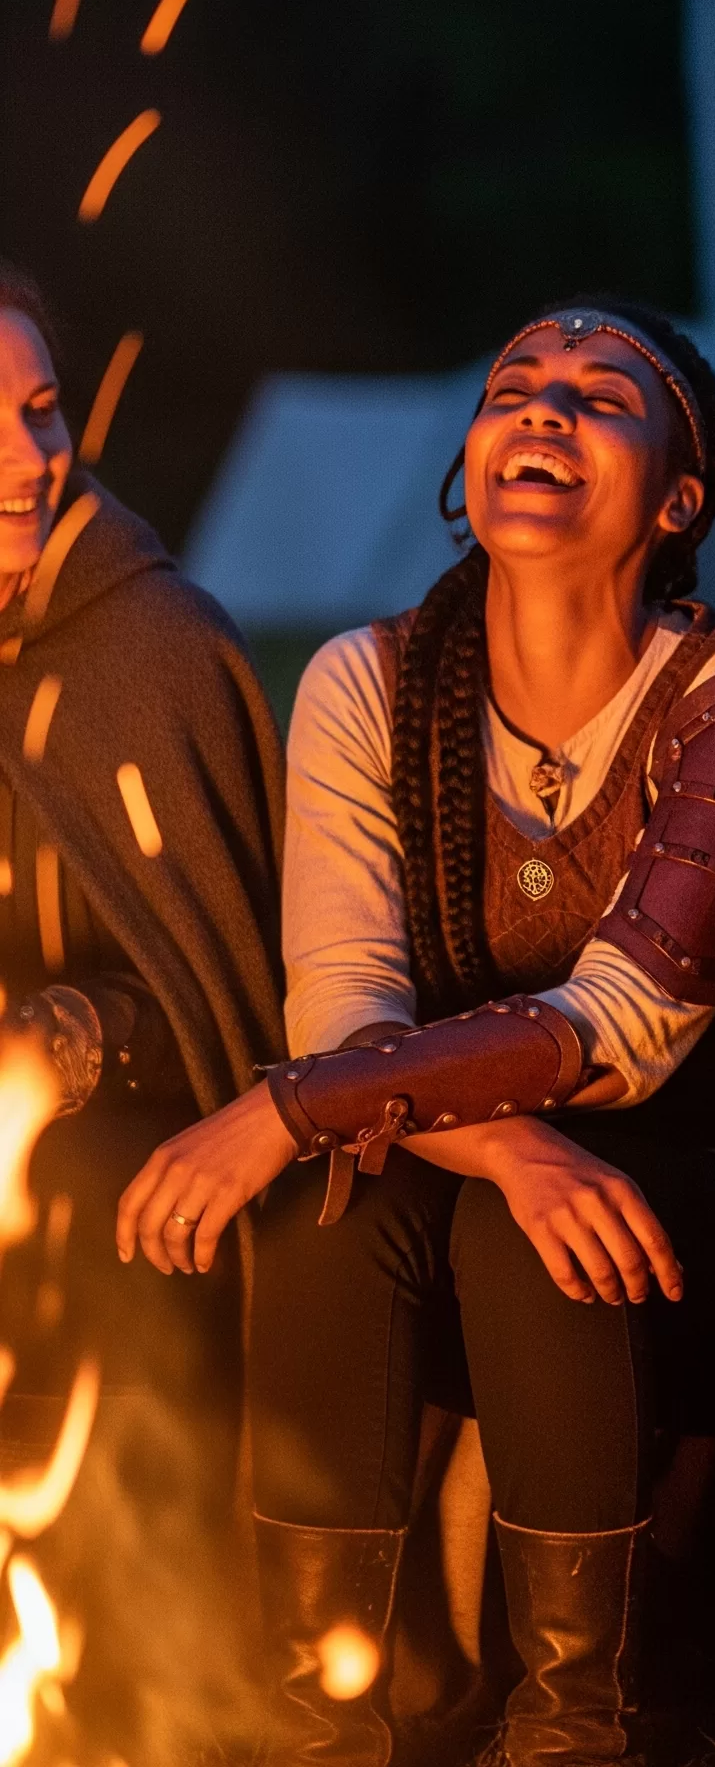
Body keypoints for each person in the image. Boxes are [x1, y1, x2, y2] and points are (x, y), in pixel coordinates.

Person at [119, 298, 715, 1766]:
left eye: (600, 396)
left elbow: (621, 1027)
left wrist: (281, 1108)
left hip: (700, 1207)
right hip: (469, 1187)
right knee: (339, 1207)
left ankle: (573, 1724)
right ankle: (319, 1716)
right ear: (467, 462)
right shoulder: (366, 685)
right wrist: (508, 1151)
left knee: (498, 1219)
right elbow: (344, 1009)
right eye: (515, 385)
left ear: (683, 496)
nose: (544, 409)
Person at [0, 263, 286, 1757]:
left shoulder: (150, 648)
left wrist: (59, 1041)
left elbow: (226, 988)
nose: (26, 461)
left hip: (139, 1118)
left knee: (84, 1186)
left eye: (40, 412)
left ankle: (136, 1673)